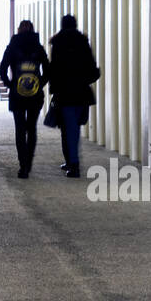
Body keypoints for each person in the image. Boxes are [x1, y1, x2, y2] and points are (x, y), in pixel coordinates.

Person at [47, 14, 99, 178]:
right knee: (73, 128)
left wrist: (54, 89)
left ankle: (73, 164)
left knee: (68, 129)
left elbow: (53, 69)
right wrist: (84, 80)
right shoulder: (83, 42)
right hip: (81, 93)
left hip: (64, 93)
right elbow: (92, 69)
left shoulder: (57, 42)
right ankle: (70, 161)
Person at [0, 20, 51, 178]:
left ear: (19, 30)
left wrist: (10, 84)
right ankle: (29, 163)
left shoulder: (13, 46)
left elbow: (2, 69)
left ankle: (23, 166)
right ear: (33, 30)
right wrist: (39, 84)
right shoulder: (38, 47)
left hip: (17, 94)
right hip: (34, 95)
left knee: (20, 130)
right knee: (31, 128)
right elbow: (47, 70)